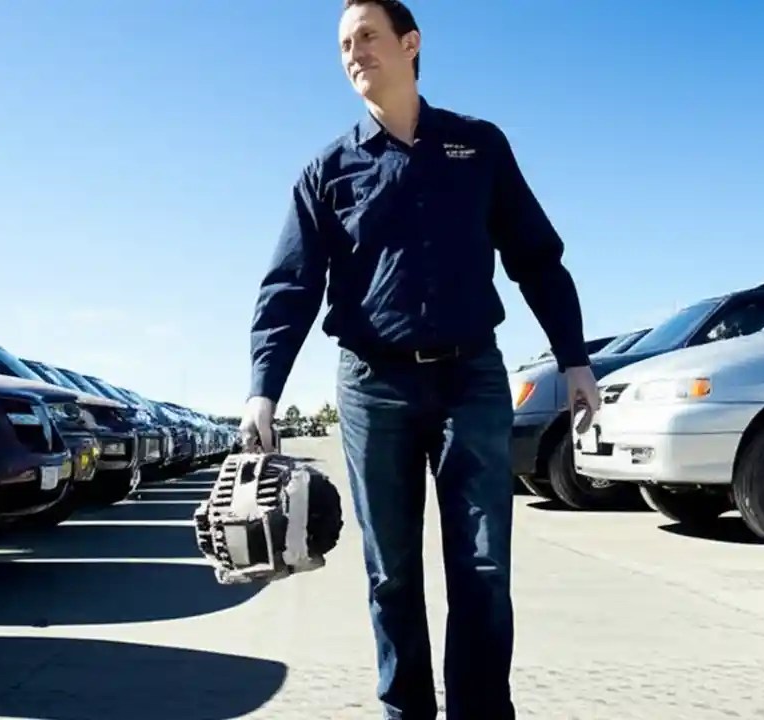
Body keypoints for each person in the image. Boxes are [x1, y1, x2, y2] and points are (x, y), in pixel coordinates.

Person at [239, 1, 600, 717]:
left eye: (367, 37)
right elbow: (290, 286)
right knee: (391, 575)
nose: (354, 53)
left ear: (410, 44)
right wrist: (263, 390)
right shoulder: (327, 173)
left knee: (483, 566)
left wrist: (575, 356)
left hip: (472, 378)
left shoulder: (477, 146)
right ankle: (405, 711)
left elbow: (536, 256)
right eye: (344, 44)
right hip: (375, 386)